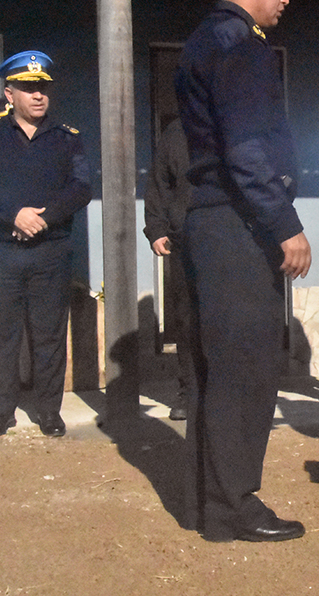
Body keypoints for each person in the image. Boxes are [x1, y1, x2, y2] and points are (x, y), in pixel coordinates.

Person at [175, 0, 311, 543]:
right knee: (245, 369)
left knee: (215, 371)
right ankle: (235, 507)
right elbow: (247, 150)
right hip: (236, 222)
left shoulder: (208, 38)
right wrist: (286, 225)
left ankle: (215, 506)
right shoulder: (239, 43)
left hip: (211, 220)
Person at [0, 50, 91, 439]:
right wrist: (14, 215)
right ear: (10, 92)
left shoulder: (67, 138)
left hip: (51, 251)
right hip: (0, 252)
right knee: (2, 336)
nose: (38, 96)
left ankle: (49, 411)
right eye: (29, 88)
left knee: (50, 335)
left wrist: (43, 218)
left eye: (43, 88)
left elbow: (81, 187)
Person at [143, 117, 194, 421]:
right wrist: (157, 228)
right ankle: (189, 392)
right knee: (188, 322)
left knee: (228, 322)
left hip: (230, 241)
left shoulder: (236, 122)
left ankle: (228, 394)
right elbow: (159, 184)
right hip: (186, 241)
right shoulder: (176, 133)